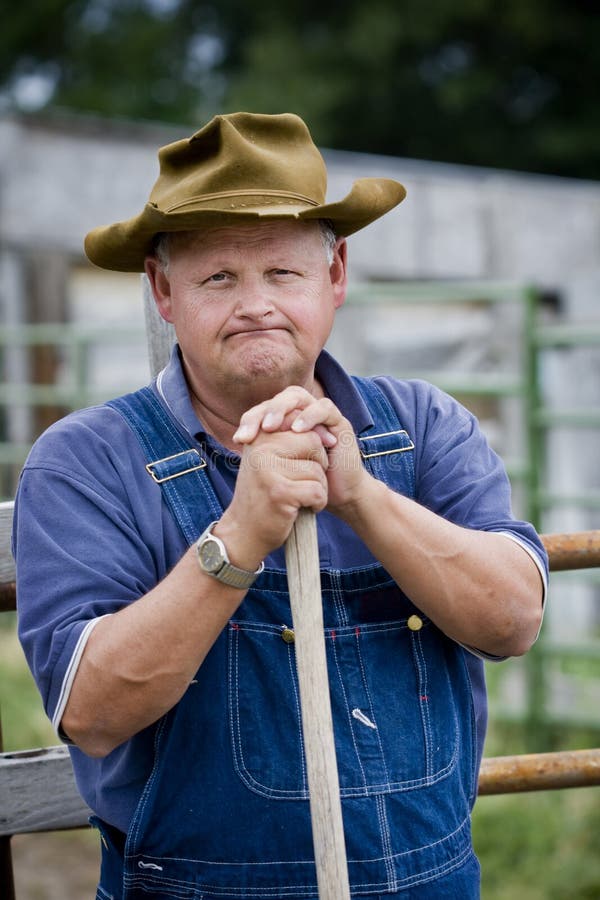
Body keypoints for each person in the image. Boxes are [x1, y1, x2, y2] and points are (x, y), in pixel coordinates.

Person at [13, 112, 547, 899]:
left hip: (431, 883)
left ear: (335, 278)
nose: (255, 303)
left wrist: (360, 496)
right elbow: (91, 711)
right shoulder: (87, 459)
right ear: (165, 292)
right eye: (218, 278)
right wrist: (239, 537)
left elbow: (513, 620)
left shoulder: (423, 426)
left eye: (284, 274)